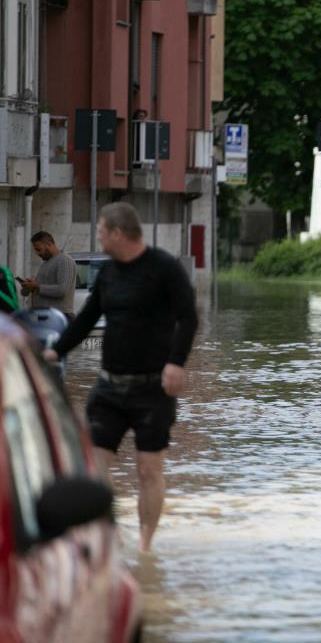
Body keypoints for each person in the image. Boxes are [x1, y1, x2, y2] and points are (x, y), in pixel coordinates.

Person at [46, 202, 198, 552]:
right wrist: (55, 351)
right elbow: (86, 320)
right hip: (109, 388)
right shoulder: (109, 274)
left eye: (100, 232)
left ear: (117, 233)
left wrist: (177, 363)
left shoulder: (164, 268)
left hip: (153, 390)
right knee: (93, 466)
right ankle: (108, 537)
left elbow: (188, 317)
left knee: (148, 469)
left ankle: (145, 549)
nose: (98, 238)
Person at [19, 231, 76, 321]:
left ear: (49, 244)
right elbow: (40, 287)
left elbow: (62, 290)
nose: (37, 253)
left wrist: (37, 287)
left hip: (59, 316)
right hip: (44, 315)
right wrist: (29, 286)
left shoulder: (64, 260)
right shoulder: (45, 263)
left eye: (39, 249)